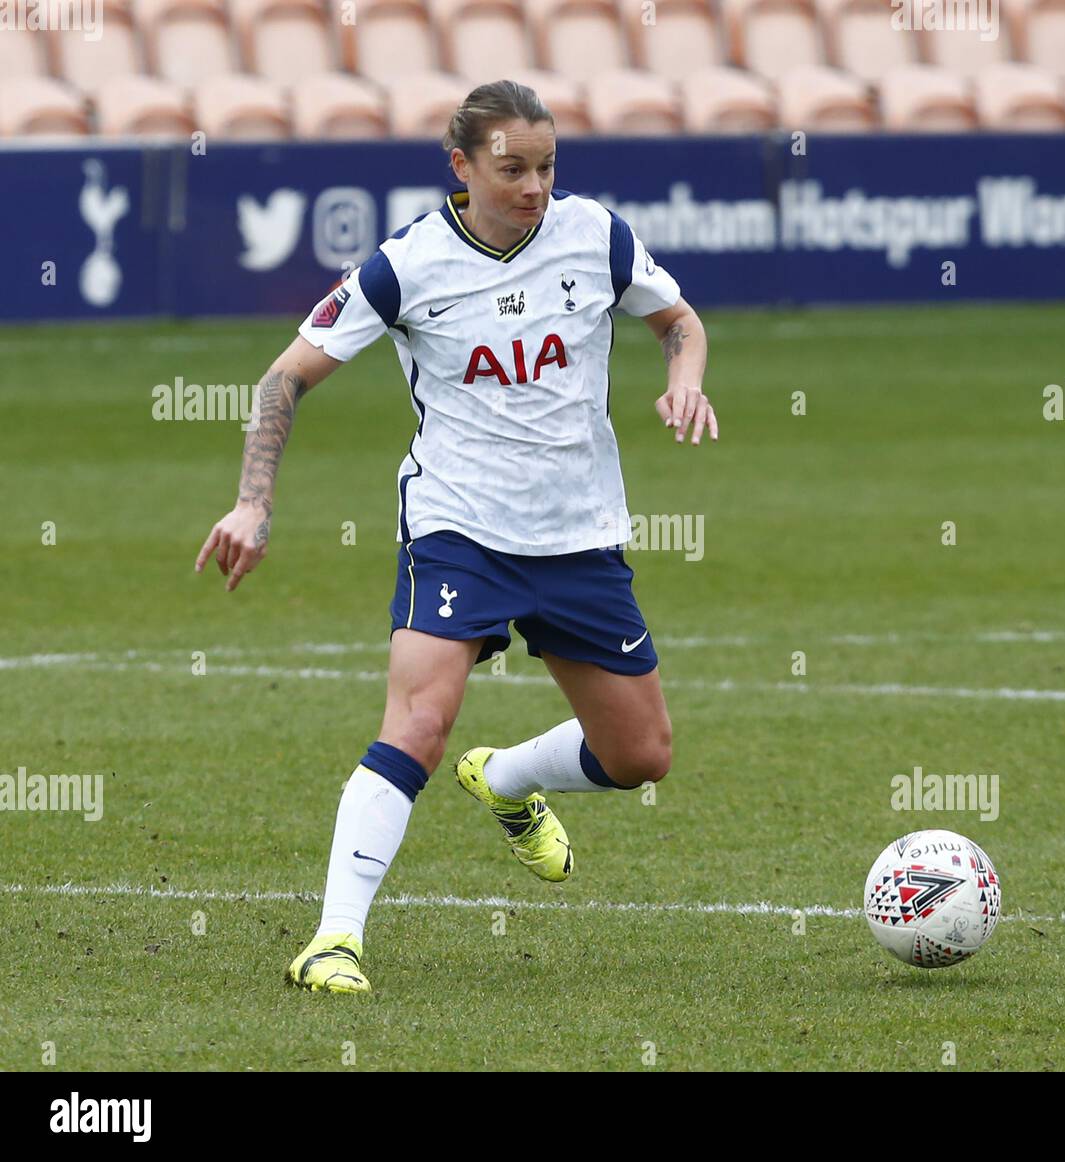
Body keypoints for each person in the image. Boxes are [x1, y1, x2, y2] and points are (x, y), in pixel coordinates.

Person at [195, 80, 716, 993]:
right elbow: (284, 379)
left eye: (548, 166)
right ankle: (334, 940)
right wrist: (253, 503)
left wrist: (686, 376)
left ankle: (509, 778)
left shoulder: (596, 236)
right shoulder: (407, 267)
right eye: (513, 168)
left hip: (578, 533)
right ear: (462, 166)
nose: (534, 187)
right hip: (458, 529)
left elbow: (678, 321)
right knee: (421, 720)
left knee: (642, 757)